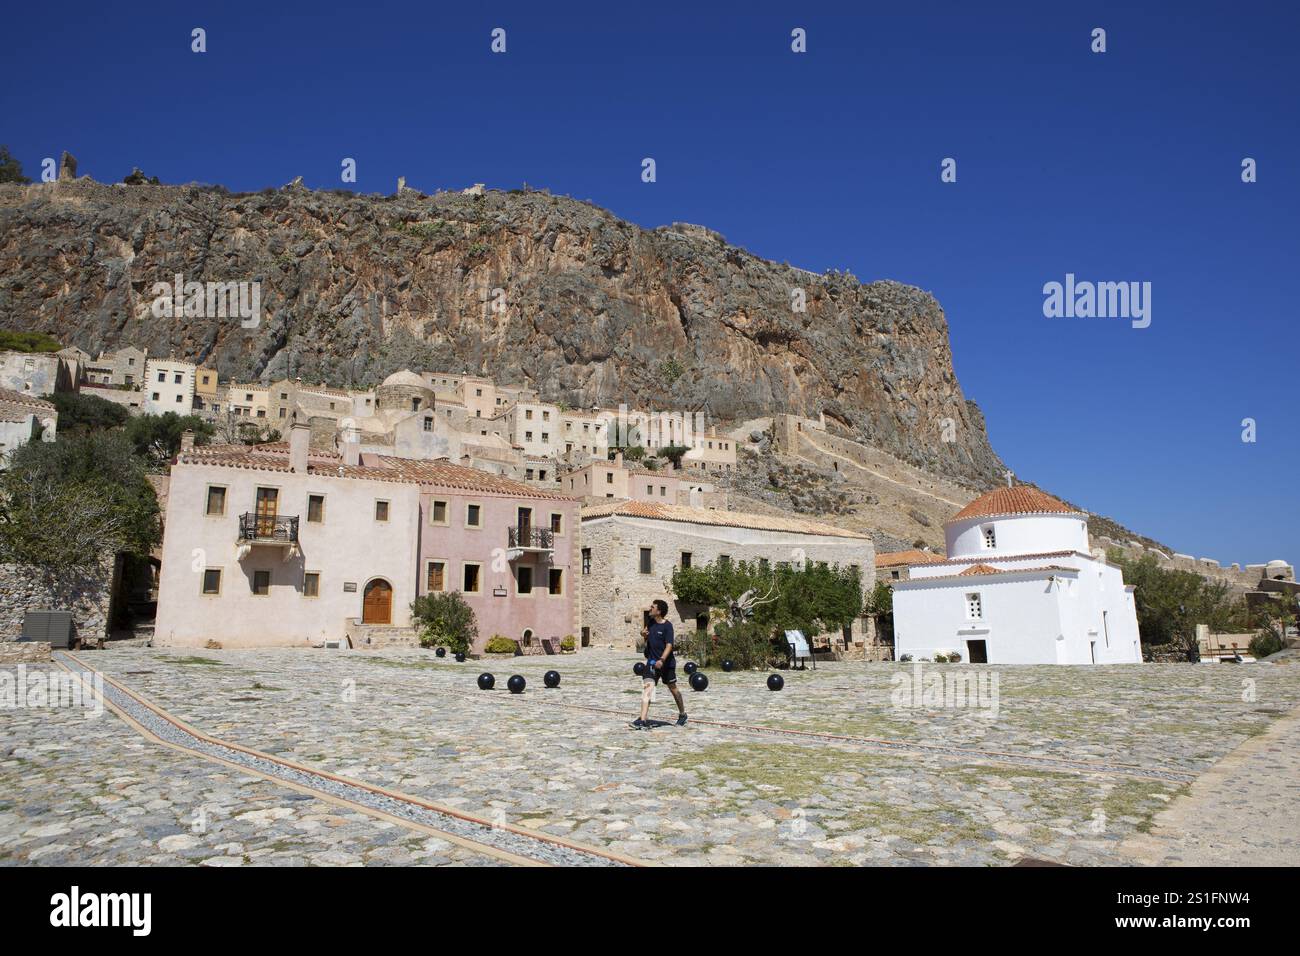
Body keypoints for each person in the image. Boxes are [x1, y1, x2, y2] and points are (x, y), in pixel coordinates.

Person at [632, 599, 688, 729]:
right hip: (651, 663)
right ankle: (643, 719)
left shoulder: (667, 626)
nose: (650, 608)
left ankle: (682, 714)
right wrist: (643, 634)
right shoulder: (650, 623)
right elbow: (645, 633)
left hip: (666, 664)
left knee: (673, 689)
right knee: (648, 688)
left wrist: (662, 660)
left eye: (652, 607)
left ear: (659, 611)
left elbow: (669, 645)